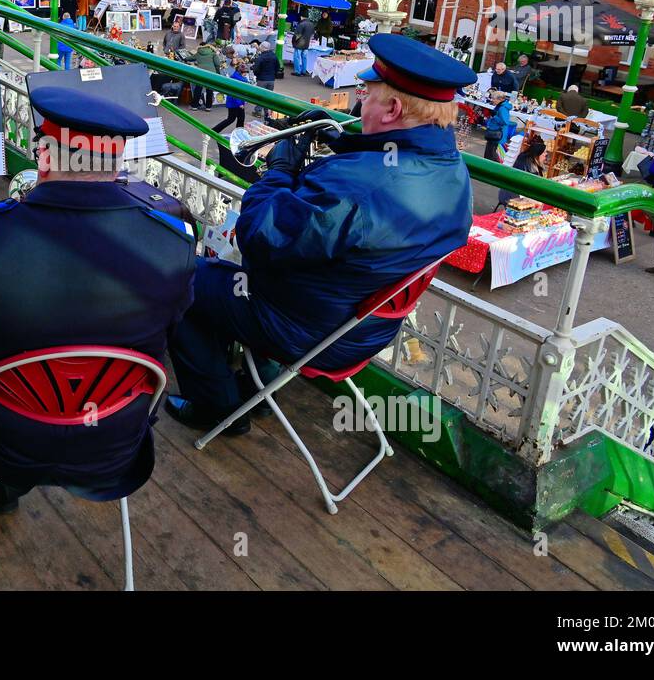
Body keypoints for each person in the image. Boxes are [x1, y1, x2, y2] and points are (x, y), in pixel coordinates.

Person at [164, 33, 476, 434]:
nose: (360, 104)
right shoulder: (454, 174)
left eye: (367, 96)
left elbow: (258, 235)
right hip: (365, 328)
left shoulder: (359, 186)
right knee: (236, 281)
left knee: (182, 280)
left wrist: (279, 170)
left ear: (393, 108)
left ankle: (218, 408)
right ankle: (254, 390)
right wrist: (342, 143)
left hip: (309, 329)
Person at [0, 87, 196, 513]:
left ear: (44, 156)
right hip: (114, 444)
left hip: (4, 445)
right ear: (115, 164)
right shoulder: (172, 243)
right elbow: (174, 327)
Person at [497, 133, 547, 208]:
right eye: (544, 153)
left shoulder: (524, 157)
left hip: (505, 192)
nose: (545, 155)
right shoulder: (531, 166)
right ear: (538, 154)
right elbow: (533, 187)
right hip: (513, 197)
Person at [212, 61, 248, 134]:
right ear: (241, 72)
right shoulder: (239, 80)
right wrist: (240, 104)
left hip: (234, 102)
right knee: (234, 119)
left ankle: (215, 130)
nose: (246, 73)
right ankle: (214, 130)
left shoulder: (236, 77)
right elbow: (236, 93)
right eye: (245, 72)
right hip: (236, 103)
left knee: (237, 119)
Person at [191, 36, 225, 111]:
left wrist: (184, 58)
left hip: (201, 73)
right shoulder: (213, 53)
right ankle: (208, 107)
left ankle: (195, 106)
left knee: (198, 89)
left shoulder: (198, 53)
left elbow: (190, 58)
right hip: (210, 74)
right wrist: (217, 73)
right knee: (209, 90)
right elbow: (217, 64)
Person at [483, 90, 514, 162]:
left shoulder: (502, 108)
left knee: (491, 154)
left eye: (494, 98)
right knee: (490, 153)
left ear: (500, 99)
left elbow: (505, 122)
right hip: (495, 132)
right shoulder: (500, 106)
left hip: (497, 134)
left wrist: (494, 116)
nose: (492, 100)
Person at [252, 41, 279, 120]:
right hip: (271, 80)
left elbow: (256, 69)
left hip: (262, 79)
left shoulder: (261, 57)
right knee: (268, 96)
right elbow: (278, 66)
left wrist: (257, 75)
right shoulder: (274, 56)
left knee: (260, 96)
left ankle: (258, 111)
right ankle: (267, 112)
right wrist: (274, 75)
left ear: (263, 48)